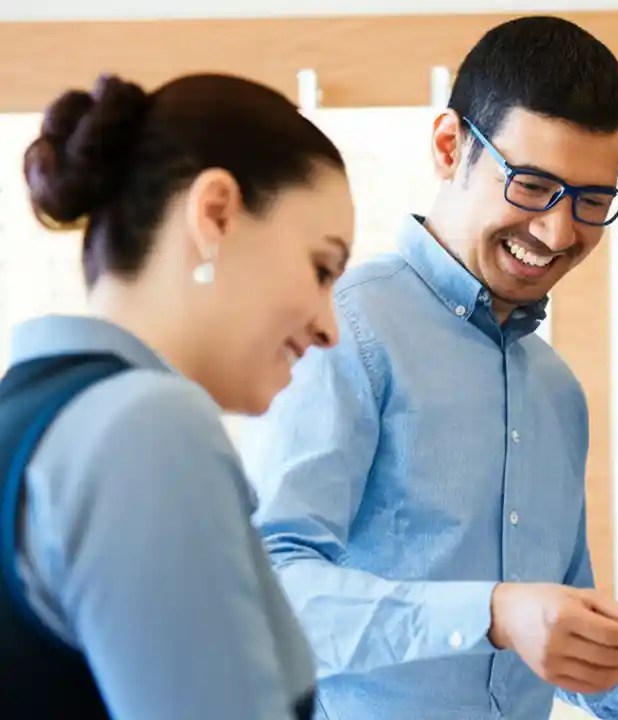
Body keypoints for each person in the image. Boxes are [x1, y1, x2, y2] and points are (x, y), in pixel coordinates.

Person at [239, 15, 618, 719]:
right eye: (531, 184)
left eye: (592, 200)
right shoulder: (344, 331)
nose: (557, 231)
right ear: (450, 145)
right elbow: (267, 593)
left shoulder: (557, 392)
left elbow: (563, 645)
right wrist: (491, 613)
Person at [0, 72, 355, 718]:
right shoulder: (146, 429)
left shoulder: (30, 419)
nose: (331, 328)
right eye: (322, 268)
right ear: (215, 211)